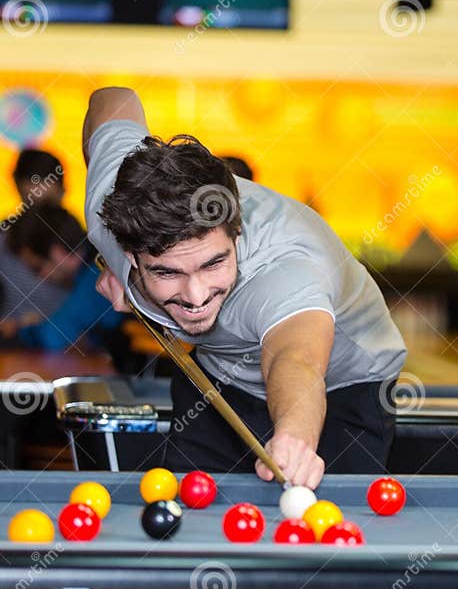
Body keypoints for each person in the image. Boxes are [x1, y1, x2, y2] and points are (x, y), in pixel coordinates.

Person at [83, 87, 406, 489]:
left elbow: (297, 359)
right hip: (220, 371)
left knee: (330, 534)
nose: (196, 296)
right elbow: (114, 98)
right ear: (131, 253)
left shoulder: (284, 270)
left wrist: (295, 436)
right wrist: (115, 270)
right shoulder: (111, 210)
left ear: (237, 234)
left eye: (214, 263)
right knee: (190, 507)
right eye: (167, 273)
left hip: (345, 383)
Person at [0, 205, 123, 351]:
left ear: (58, 251)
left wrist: (16, 328)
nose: (41, 277)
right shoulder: (99, 259)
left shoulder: (101, 272)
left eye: (38, 268)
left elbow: (52, 338)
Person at [0, 149, 70, 320]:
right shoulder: (4, 234)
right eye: (30, 202)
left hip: (73, 339)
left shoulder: (86, 240)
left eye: (48, 208)